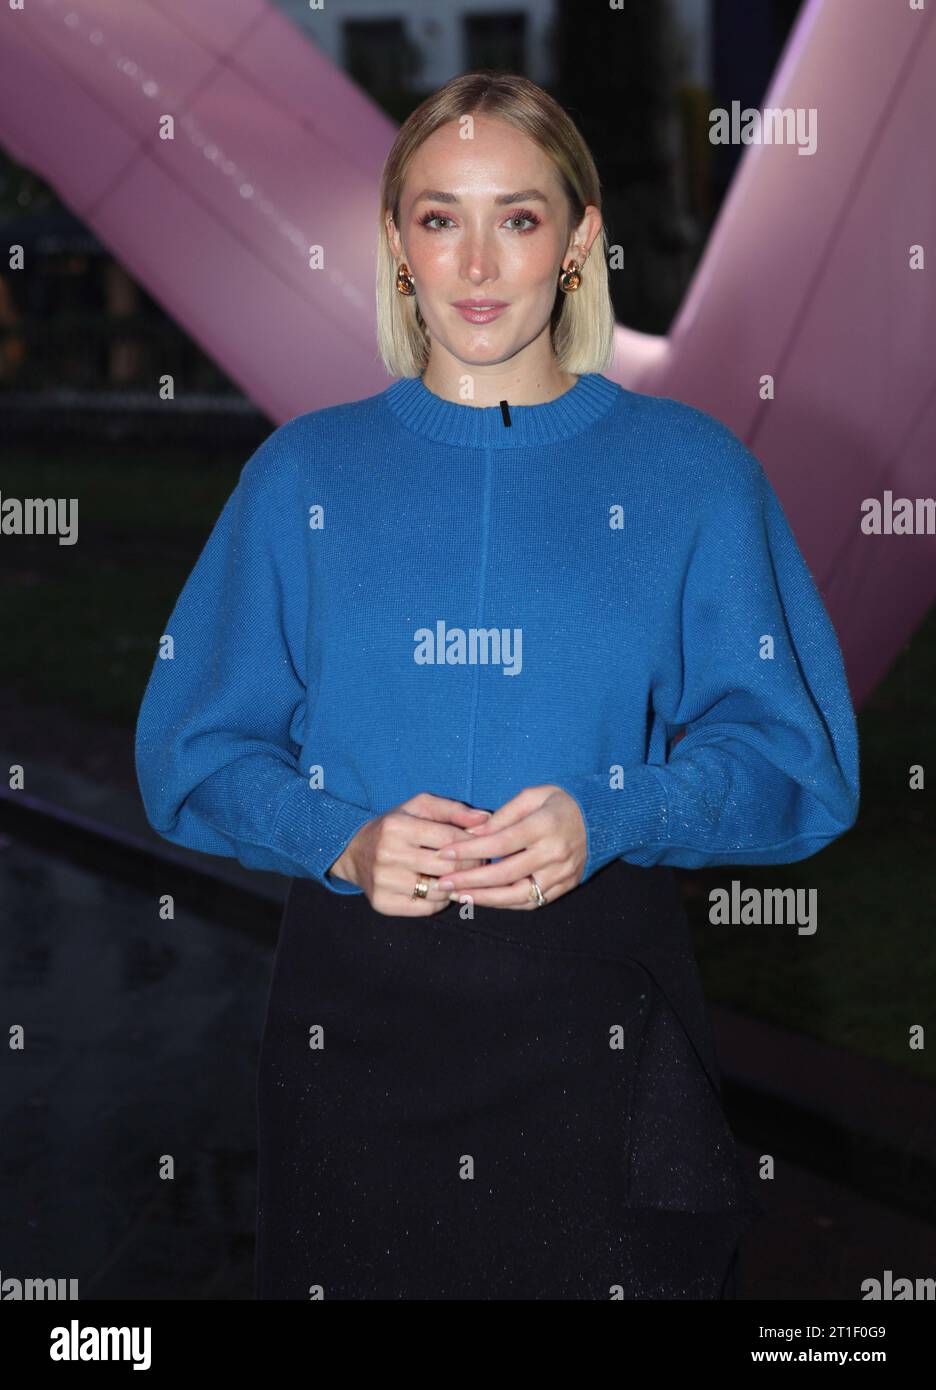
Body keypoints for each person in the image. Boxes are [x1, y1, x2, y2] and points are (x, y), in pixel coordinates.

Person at [134, 70, 860, 1300]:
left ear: (578, 242)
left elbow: (799, 760)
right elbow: (192, 749)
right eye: (439, 218)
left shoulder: (693, 476)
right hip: (353, 1045)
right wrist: (339, 838)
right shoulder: (301, 475)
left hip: (605, 1042)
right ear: (395, 242)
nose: (476, 263)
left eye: (518, 218)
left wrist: (617, 810)